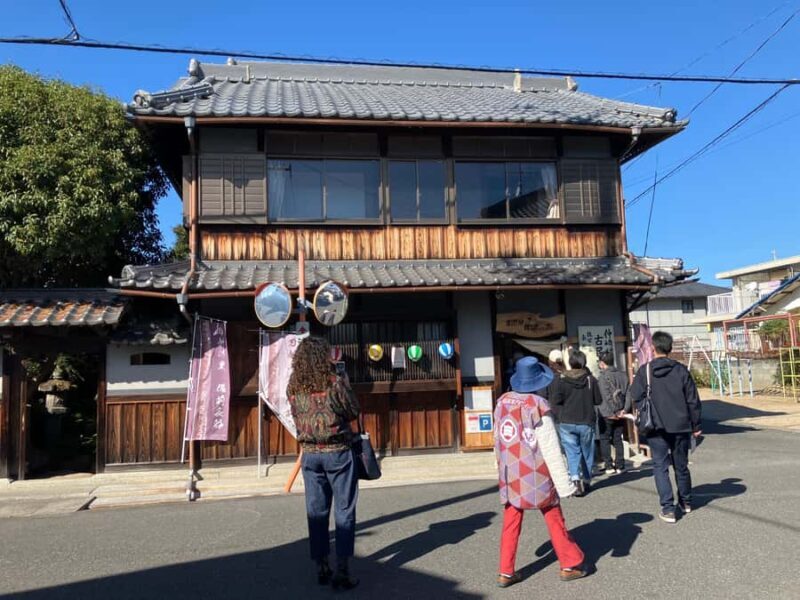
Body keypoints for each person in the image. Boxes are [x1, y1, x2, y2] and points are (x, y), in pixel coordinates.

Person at [494, 356, 587, 588]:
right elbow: (550, 448)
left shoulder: (502, 401)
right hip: (537, 473)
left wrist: (500, 466)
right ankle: (569, 563)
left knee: (511, 520)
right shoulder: (538, 406)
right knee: (554, 517)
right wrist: (565, 484)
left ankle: (505, 571)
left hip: (511, 470)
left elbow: (497, 439)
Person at [287, 336, 361, 589]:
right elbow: (352, 411)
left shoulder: (294, 386)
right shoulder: (335, 383)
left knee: (316, 512)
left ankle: (321, 565)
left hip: (309, 453)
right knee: (344, 510)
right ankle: (342, 569)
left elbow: (295, 414)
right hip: (337, 451)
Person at [628, 331, 702, 524]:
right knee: (681, 466)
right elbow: (693, 400)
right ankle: (685, 502)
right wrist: (696, 425)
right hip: (680, 426)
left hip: (655, 426)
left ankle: (668, 508)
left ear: (653, 348)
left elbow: (635, 395)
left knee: (660, 466)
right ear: (670, 348)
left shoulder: (645, 371)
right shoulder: (681, 371)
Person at [551, 350, 602, 496]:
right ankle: (586, 479)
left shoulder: (562, 379)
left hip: (566, 421)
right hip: (586, 420)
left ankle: (575, 479)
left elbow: (556, 401)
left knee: (572, 452)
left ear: (571, 363)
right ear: (584, 363)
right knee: (587, 451)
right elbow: (598, 400)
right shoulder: (590, 380)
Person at [597, 351, 631, 475]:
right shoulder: (623, 375)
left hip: (607, 412)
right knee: (618, 438)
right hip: (622, 412)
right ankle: (620, 465)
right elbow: (628, 393)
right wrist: (625, 409)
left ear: (602, 363)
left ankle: (608, 465)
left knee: (605, 438)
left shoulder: (602, 377)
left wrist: (614, 411)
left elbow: (606, 397)